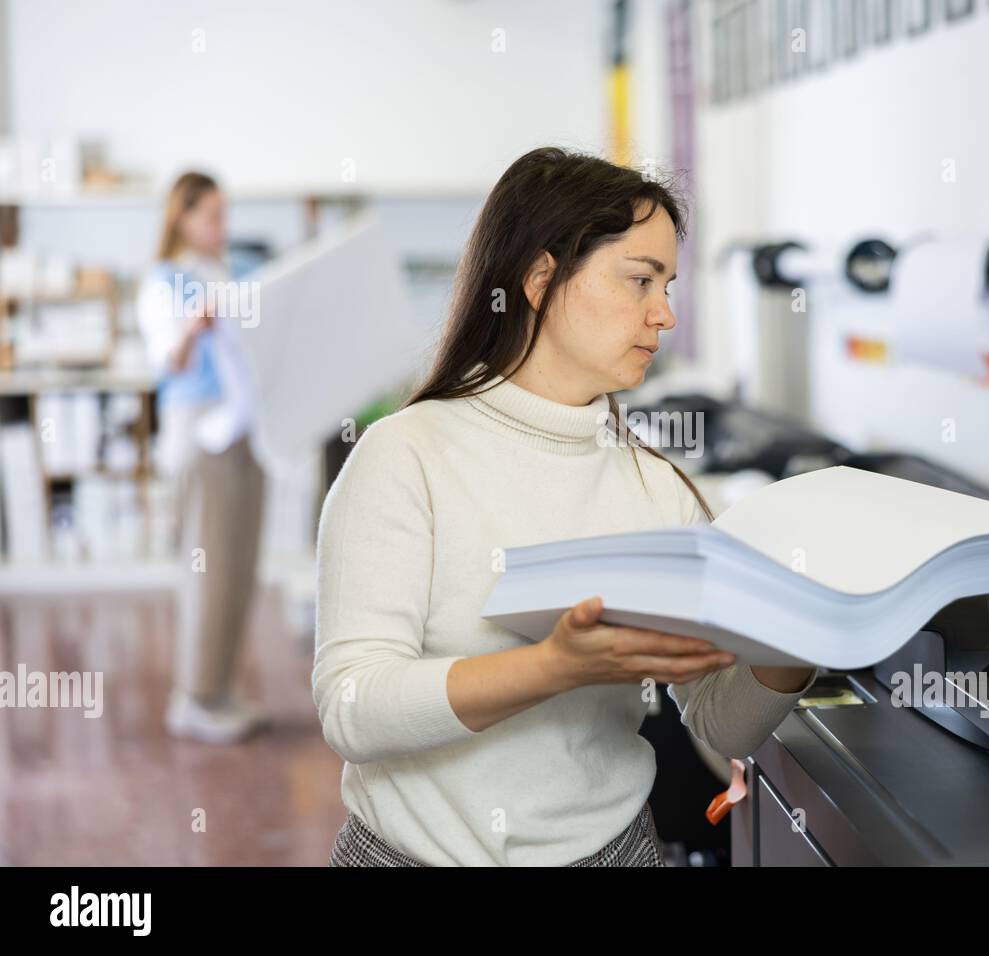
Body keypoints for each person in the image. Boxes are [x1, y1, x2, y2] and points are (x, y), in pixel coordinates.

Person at [313, 147, 816, 867]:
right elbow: (352, 707)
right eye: (641, 280)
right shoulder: (406, 456)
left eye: (668, 284)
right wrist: (556, 665)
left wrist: (796, 650)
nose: (665, 314)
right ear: (541, 279)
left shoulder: (656, 489)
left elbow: (718, 720)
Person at [137, 171, 268, 745]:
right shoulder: (162, 283)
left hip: (244, 427)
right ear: (181, 218)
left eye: (225, 213)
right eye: (211, 214)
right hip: (200, 429)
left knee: (239, 566)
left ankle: (220, 688)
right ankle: (192, 698)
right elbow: (173, 362)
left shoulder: (231, 272)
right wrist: (196, 324)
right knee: (205, 565)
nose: (222, 225)